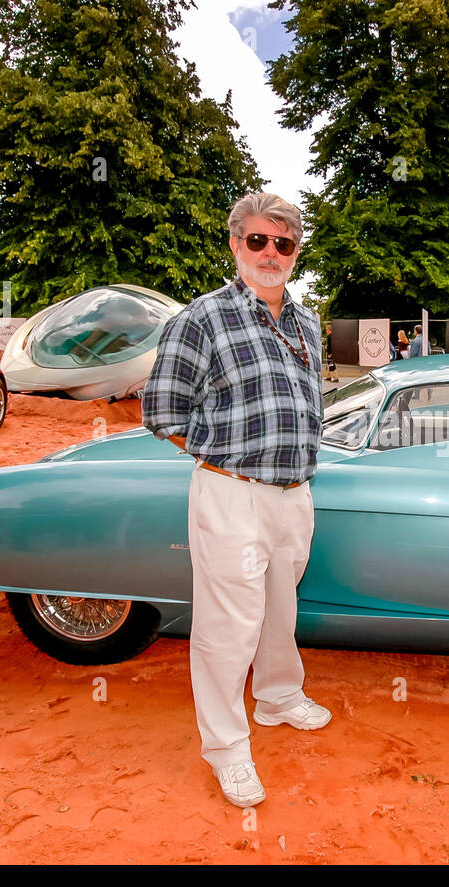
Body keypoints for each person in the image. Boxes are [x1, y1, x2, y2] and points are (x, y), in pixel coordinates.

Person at [141, 192, 329, 809]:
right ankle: (226, 749)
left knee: (281, 607)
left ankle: (278, 698)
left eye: (284, 243)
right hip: (231, 493)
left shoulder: (304, 323)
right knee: (228, 626)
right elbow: (162, 410)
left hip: (294, 495)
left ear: (295, 253)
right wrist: (221, 454)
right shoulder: (201, 320)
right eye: (258, 240)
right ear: (235, 244)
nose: (271, 253)